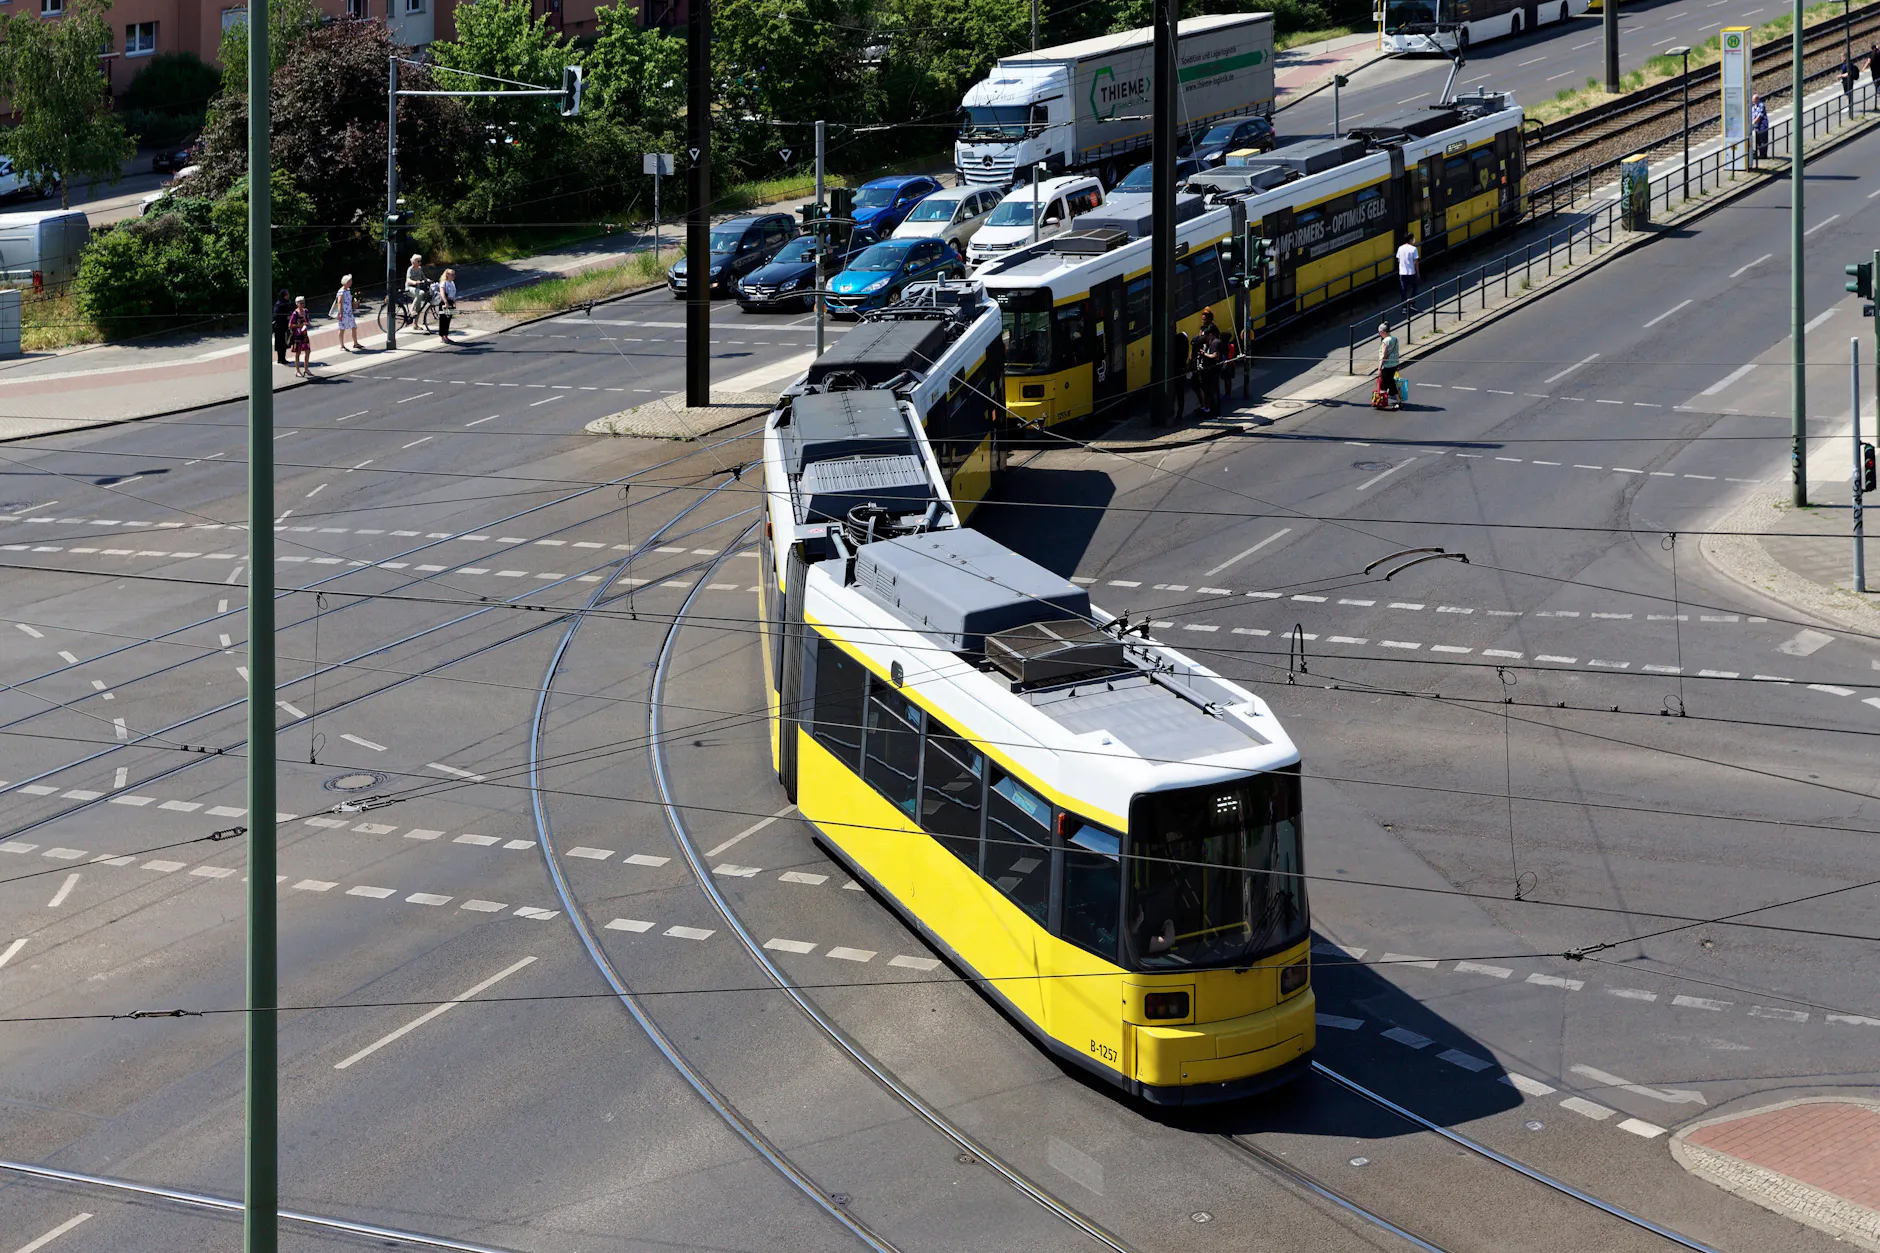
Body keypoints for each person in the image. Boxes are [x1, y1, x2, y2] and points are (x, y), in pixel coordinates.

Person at [1194, 324, 1224, 417]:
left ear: (1211, 334)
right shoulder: (1217, 341)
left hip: (1212, 371)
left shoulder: (1214, 343)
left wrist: (1204, 354)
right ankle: (1213, 412)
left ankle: (1213, 414)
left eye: (1206, 336)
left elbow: (1215, 356)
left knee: (1212, 393)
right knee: (1213, 393)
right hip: (1215, 371)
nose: (1205, 338)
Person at [1377, 322, 1400, 409]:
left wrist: (1379, 368)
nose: (1379, 334)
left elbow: (1384, 356)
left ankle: (1381, 402)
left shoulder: (1385, 341)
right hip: (1394, 364)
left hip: (1387, 366)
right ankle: (1398, 402)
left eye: (1379, 332)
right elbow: (1397, 352)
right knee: (1390, 383)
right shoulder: (1395, 339)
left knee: (1384, 384)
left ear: (1383, 332)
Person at [288, 296, 312, 378]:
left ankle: (306, 368)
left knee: (308, 351)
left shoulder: (306, 311)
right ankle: (297, 370)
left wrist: (307, 324)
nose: (302, 304)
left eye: (303, 303)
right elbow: (290, 325)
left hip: (304, 334)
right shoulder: (295, 313)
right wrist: (300, 325)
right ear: (297, 304)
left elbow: (308, 321)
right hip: (297, 336)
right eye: (300, 303)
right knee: (298, 353)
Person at [335, 274, 359, 352]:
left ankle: (355, 343)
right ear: (346, 282)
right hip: (344, 313)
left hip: (349, 312)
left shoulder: (348, 290)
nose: (351, 282)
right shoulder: (341, 292)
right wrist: (340, 313)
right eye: (349, 281)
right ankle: (342, 345)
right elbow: (339, 303)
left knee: (354, 327)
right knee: (342, 329)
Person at [1396, 235, 1420, 309]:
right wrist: (1418, 273)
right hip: (1411, 273)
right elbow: (1415, 262)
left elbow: (1399, 260)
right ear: (1410, 240)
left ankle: (1404, 308)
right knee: (1414, 288)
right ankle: (1412, 304)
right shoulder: (1414, 249)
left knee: (1403, 290)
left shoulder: (1400, 248)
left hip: (1402, 273)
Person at [435, 268, 458, 340]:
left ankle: (446, 335)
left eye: (454, 275)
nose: (454, 276)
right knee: (443, 319)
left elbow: (453, 294)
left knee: (448, 319)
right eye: (452, 275)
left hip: (451, 301)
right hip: (444, 302)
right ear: (447, 275)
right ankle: (442, 336)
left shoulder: (452, 283)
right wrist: (445, 302)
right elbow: (442, 293)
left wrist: (454, 302)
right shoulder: (444, 283)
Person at [404, 252, 429, 318]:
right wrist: (414, 282)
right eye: (418, 261)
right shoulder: (410, 269)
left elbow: (424, 277)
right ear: (414, 262)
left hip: (416, 289)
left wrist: (428, 280)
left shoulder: (420, 268)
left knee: (418, 307)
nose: (420, 263)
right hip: (409, 288)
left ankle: (415, 325)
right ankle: (411, 310)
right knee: (421, 293)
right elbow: (408, 280)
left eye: (420, 261)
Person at [271, 289, 292, 365]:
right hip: (279, 327)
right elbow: (276, 316)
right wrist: (286, 317)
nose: (288, 296)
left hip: (285, 327)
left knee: (285, 342)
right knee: (280, 343)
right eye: (287, 294)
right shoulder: (279, 304)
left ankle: (283, 358)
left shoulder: (287, 303)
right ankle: (280, 358)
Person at [1751, 94, 1769, 162]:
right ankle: (1760, 153)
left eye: (1754, 100)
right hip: (1756, 127)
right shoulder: (1753, 107)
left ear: (1758, 99)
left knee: (1763, 140)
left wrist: (1753, 122)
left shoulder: (1761, 105)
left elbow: (1760, 116)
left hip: (1762, 126)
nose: (1753, 101)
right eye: (1753, 100)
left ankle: (1763, 154)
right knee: (1758, 141)